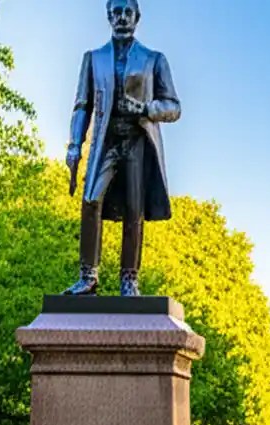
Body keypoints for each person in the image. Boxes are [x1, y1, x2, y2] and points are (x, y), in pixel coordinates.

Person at [63, 0, 181, 297]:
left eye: (128, 12)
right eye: (117, 12)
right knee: (90, 200)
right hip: (106, 142)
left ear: (137, 17)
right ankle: (88, 276)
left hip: (137, 141)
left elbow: (174, 107)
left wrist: (148, 107)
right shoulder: (93, 58)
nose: (122, 18)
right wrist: (75, 144)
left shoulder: (154, 59)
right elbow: (81, 106)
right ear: (108, 16)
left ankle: (130, 279)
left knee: (134, 209)